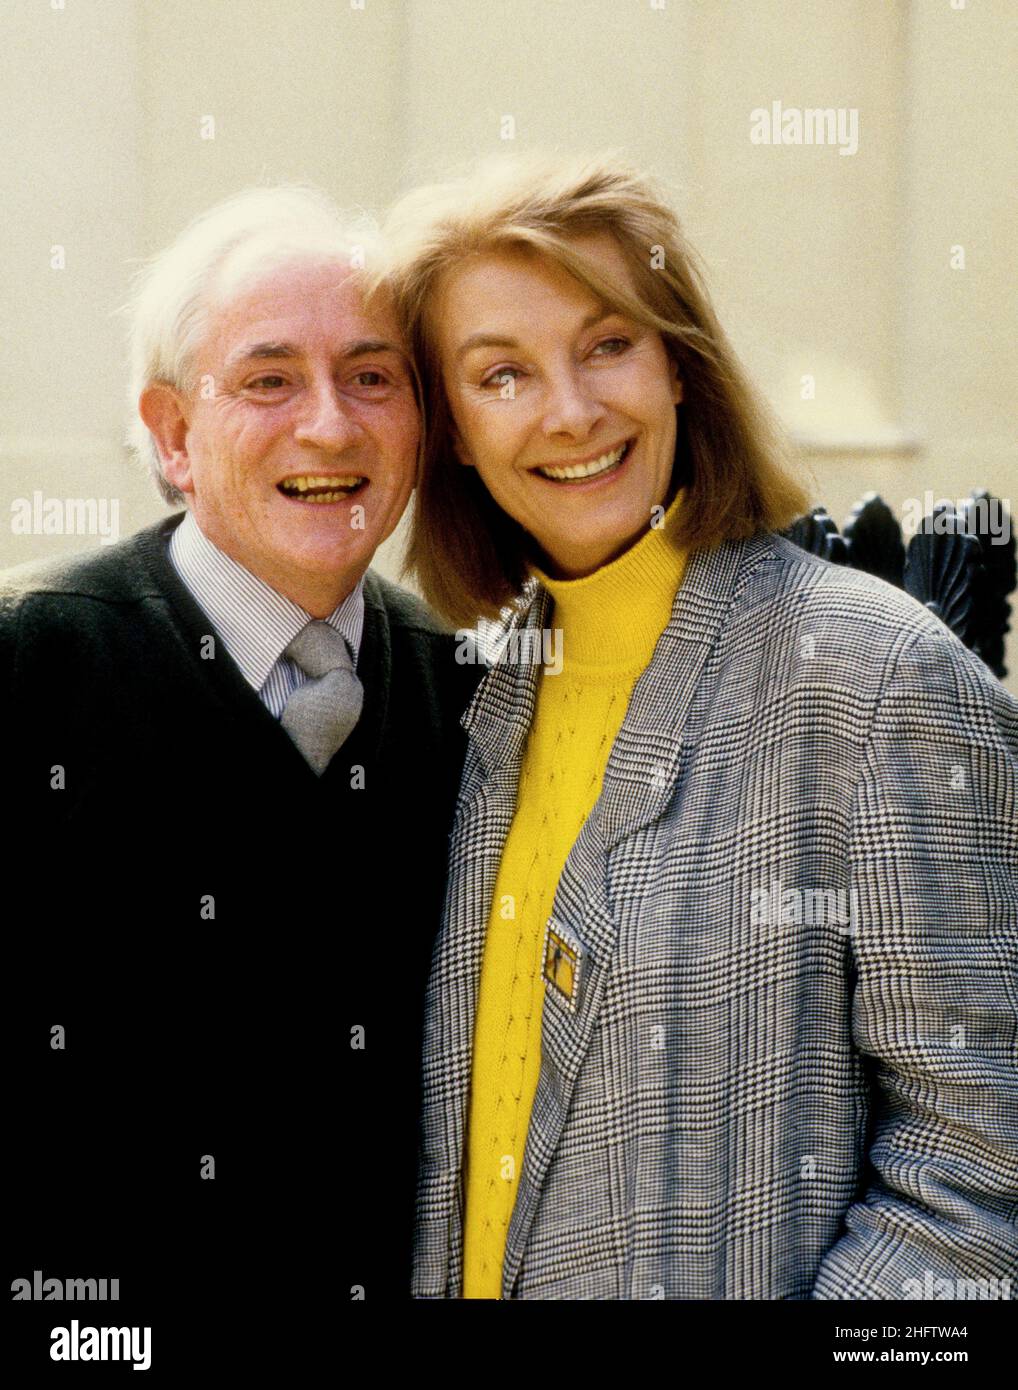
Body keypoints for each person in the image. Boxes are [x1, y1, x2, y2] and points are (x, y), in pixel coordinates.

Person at [378, 152, 1018, 1300]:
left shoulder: (874, 677)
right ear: (455, 435)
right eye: (502, 374)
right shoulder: (475, 697)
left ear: (680, 364)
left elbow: (981, 1169)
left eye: (608, 343)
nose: (571, 410)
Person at [0, 187, 479, 1323]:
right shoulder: (34, 663)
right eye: (269, 379)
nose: (330, 424)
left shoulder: (466, 697)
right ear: (172, 433)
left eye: (373, 376)